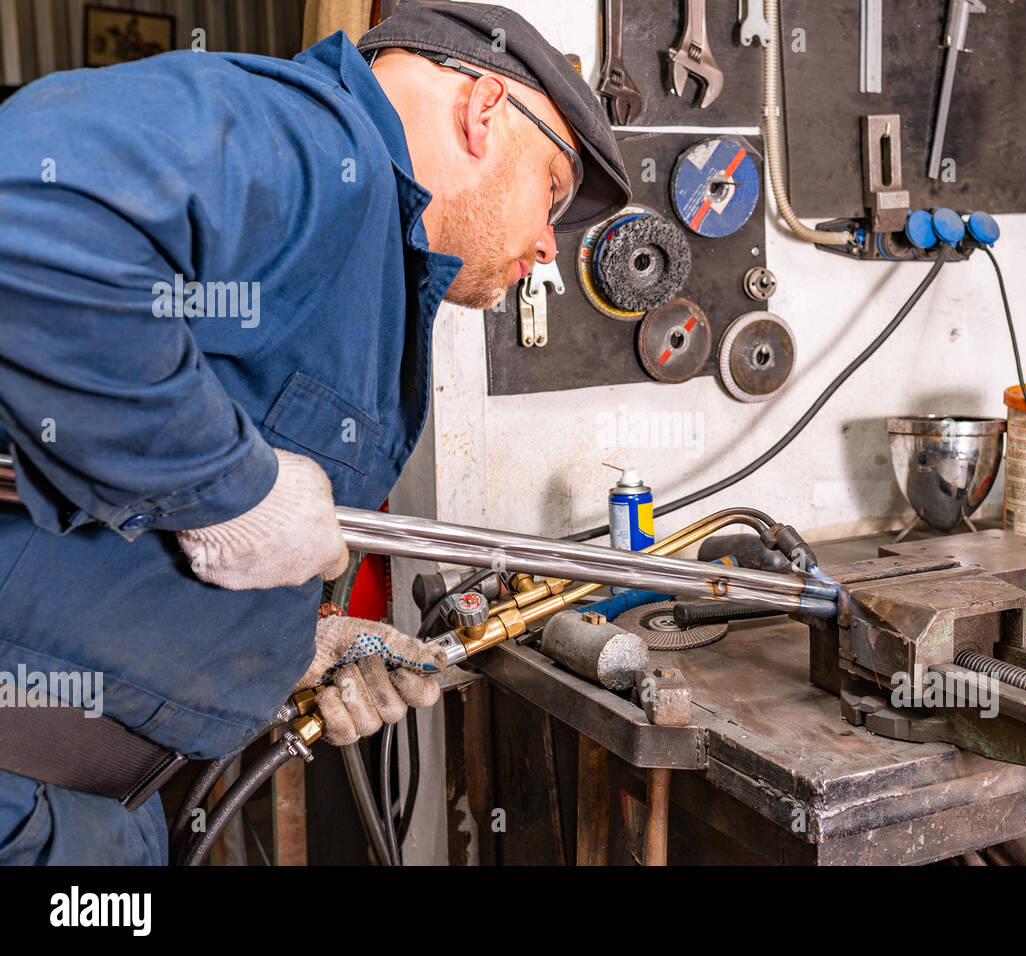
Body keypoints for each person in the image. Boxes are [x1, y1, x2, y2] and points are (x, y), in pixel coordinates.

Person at [0, 1, 630, 865]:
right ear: (485, 111)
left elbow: (135, 538)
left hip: (97, 813)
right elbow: (28, 216)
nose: (549, 246)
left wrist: (285, 648)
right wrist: (232, 493)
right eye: (552, 192)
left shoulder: (365, 240)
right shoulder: (316, 144)